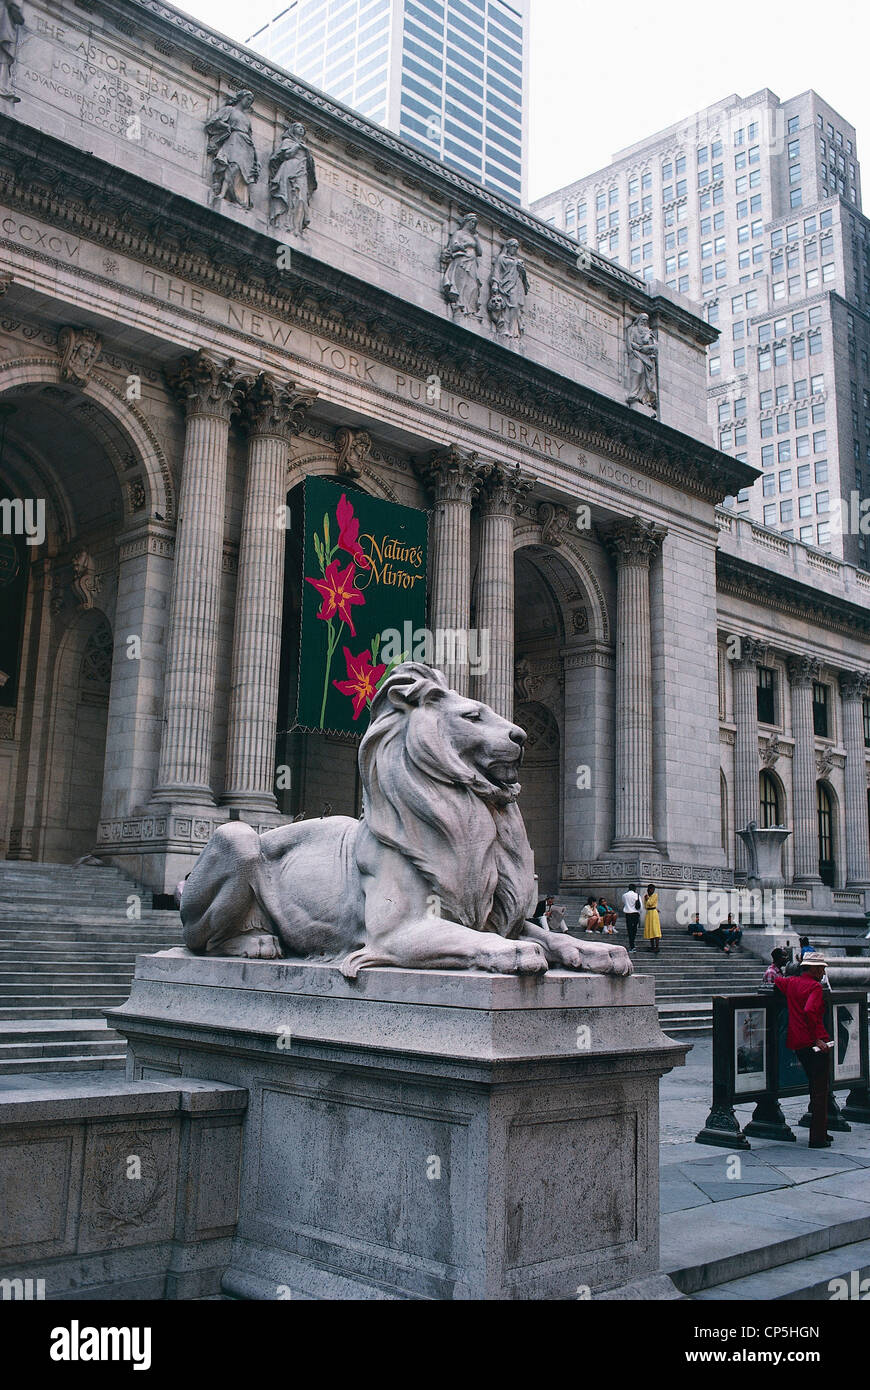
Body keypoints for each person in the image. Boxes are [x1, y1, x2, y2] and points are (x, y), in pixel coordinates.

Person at [774, 954, 834, 1148]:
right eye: (822, 969)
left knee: (813, 1085)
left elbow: (778, 981)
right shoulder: (815, 987)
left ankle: (822, 1130)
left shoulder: (791, 983)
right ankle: (818, 1137)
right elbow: (810, 1010)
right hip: (814, 1043)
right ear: (814, 970)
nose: (824, 972)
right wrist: (818, 1038)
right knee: (820, 1091)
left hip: (797, 1041)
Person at [622, 883, 641, 951]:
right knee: (634, 929)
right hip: (635, 913)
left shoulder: (624, 895)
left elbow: (624, 903)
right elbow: (640, 906)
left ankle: (631, 944)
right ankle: (632, 943)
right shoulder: (637, 895)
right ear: (634, 888)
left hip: (628, 913)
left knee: (629, 929)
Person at [643, 884, 661, 953]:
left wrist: (647, 899)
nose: (650, 891)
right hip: (649, 913)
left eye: (651, 889)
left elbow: (650, 903)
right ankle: (652, 946)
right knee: (650, 930)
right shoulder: (647, 896)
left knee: (655, 929)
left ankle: (657, 947)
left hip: (653, 913)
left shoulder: (655, 895)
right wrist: (646, 899)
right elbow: (646, 906)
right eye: (649, 889)